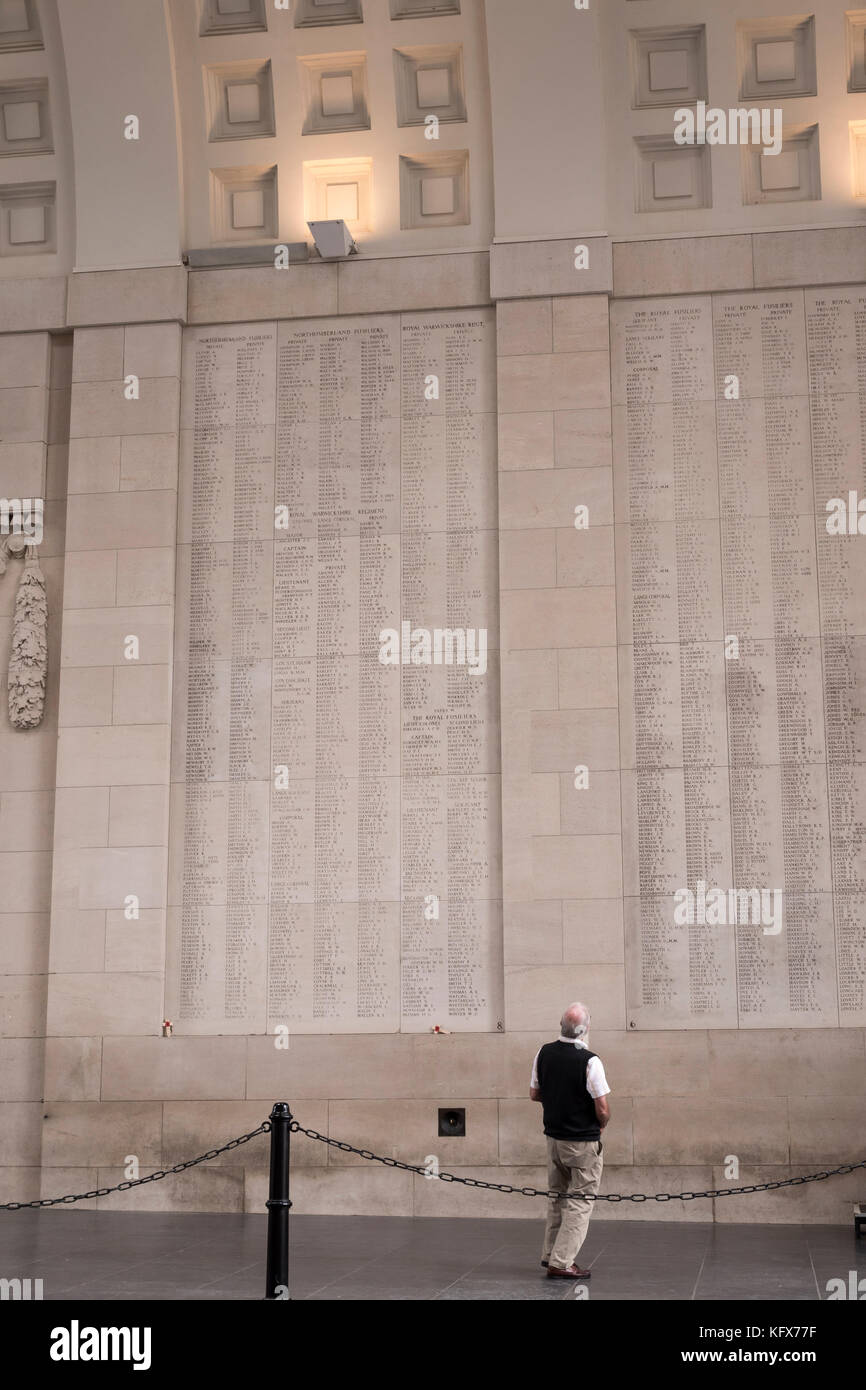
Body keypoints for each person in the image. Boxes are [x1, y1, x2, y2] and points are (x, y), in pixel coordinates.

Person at [530, 1001, 610, 1280]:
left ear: (562, 1026)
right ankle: (562, 1261)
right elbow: (602, 1107)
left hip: (553, 1139)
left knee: (557, 1198)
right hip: (582, 1143)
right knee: (580, 1200)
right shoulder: (590, 1060)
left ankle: (550, 1254)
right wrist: (601, 1124)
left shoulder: (543, 1053)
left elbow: (534, 1093)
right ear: (584, 1029)